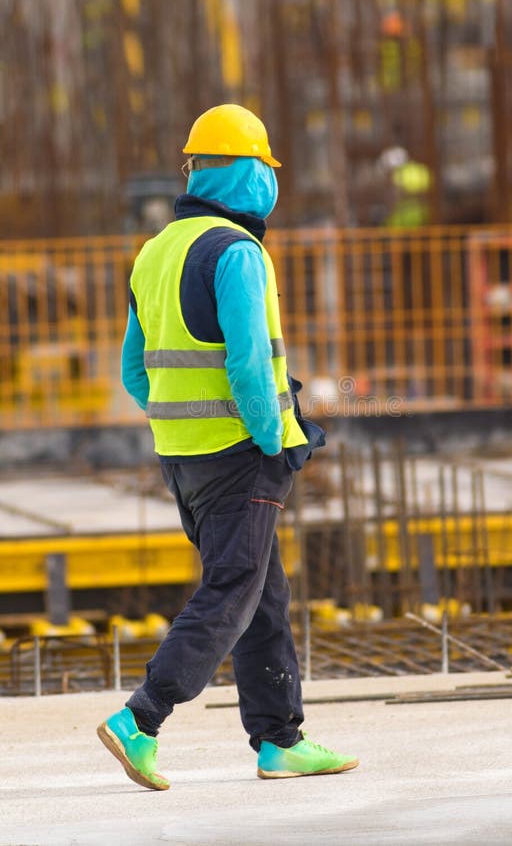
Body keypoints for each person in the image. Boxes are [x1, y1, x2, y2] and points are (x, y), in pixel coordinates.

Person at [97, 104, 358, 789]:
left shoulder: (154, 251)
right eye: (266, 167)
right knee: (231, 591)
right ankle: (140, 719)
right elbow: (248, 366)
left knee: (261, 592)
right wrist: (271, 440)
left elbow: (133, 369)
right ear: (248, 172)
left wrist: (179, 425)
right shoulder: (238, 252)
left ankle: (279, 740)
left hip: (183, 460)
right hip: (243, 454)